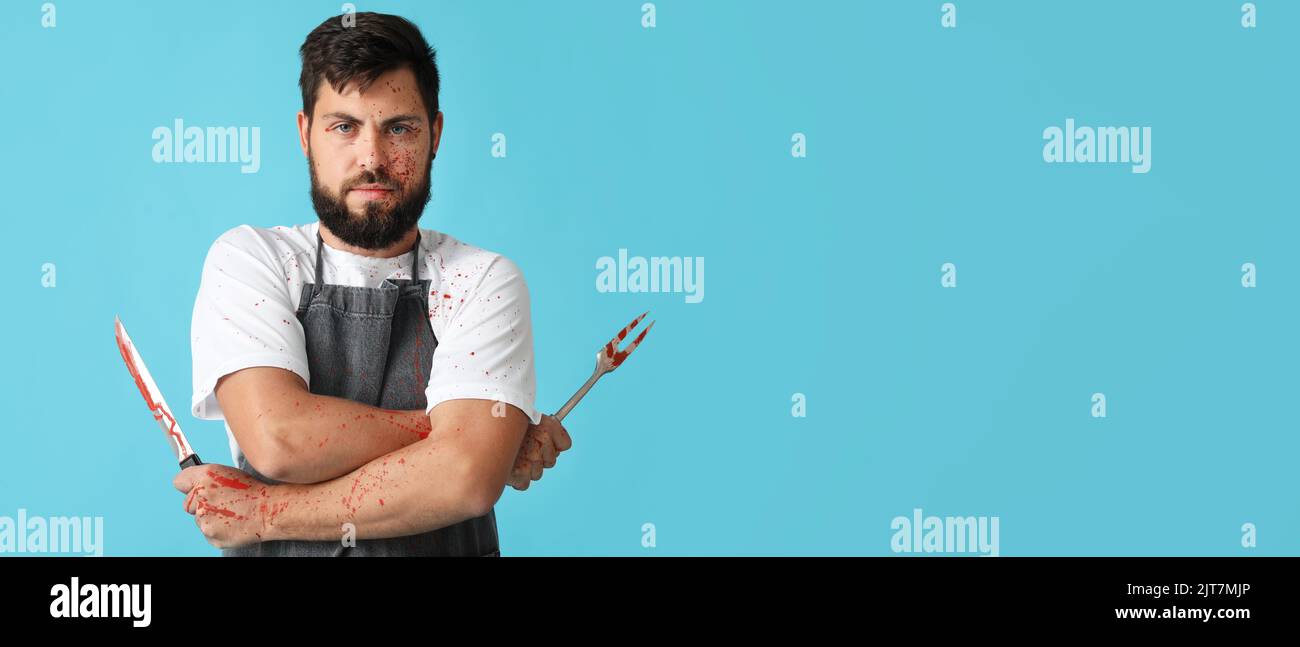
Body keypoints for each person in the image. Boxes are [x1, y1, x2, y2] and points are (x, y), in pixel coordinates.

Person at [174, 12, 570, 556]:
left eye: (399, 128)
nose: (373, 159)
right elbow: (280, 439)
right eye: (344, 126)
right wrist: (460, 431)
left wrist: (265, 513)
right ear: (304, 135)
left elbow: (466, 480)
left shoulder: (481, 280)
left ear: (436, 134)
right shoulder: (251, 260)